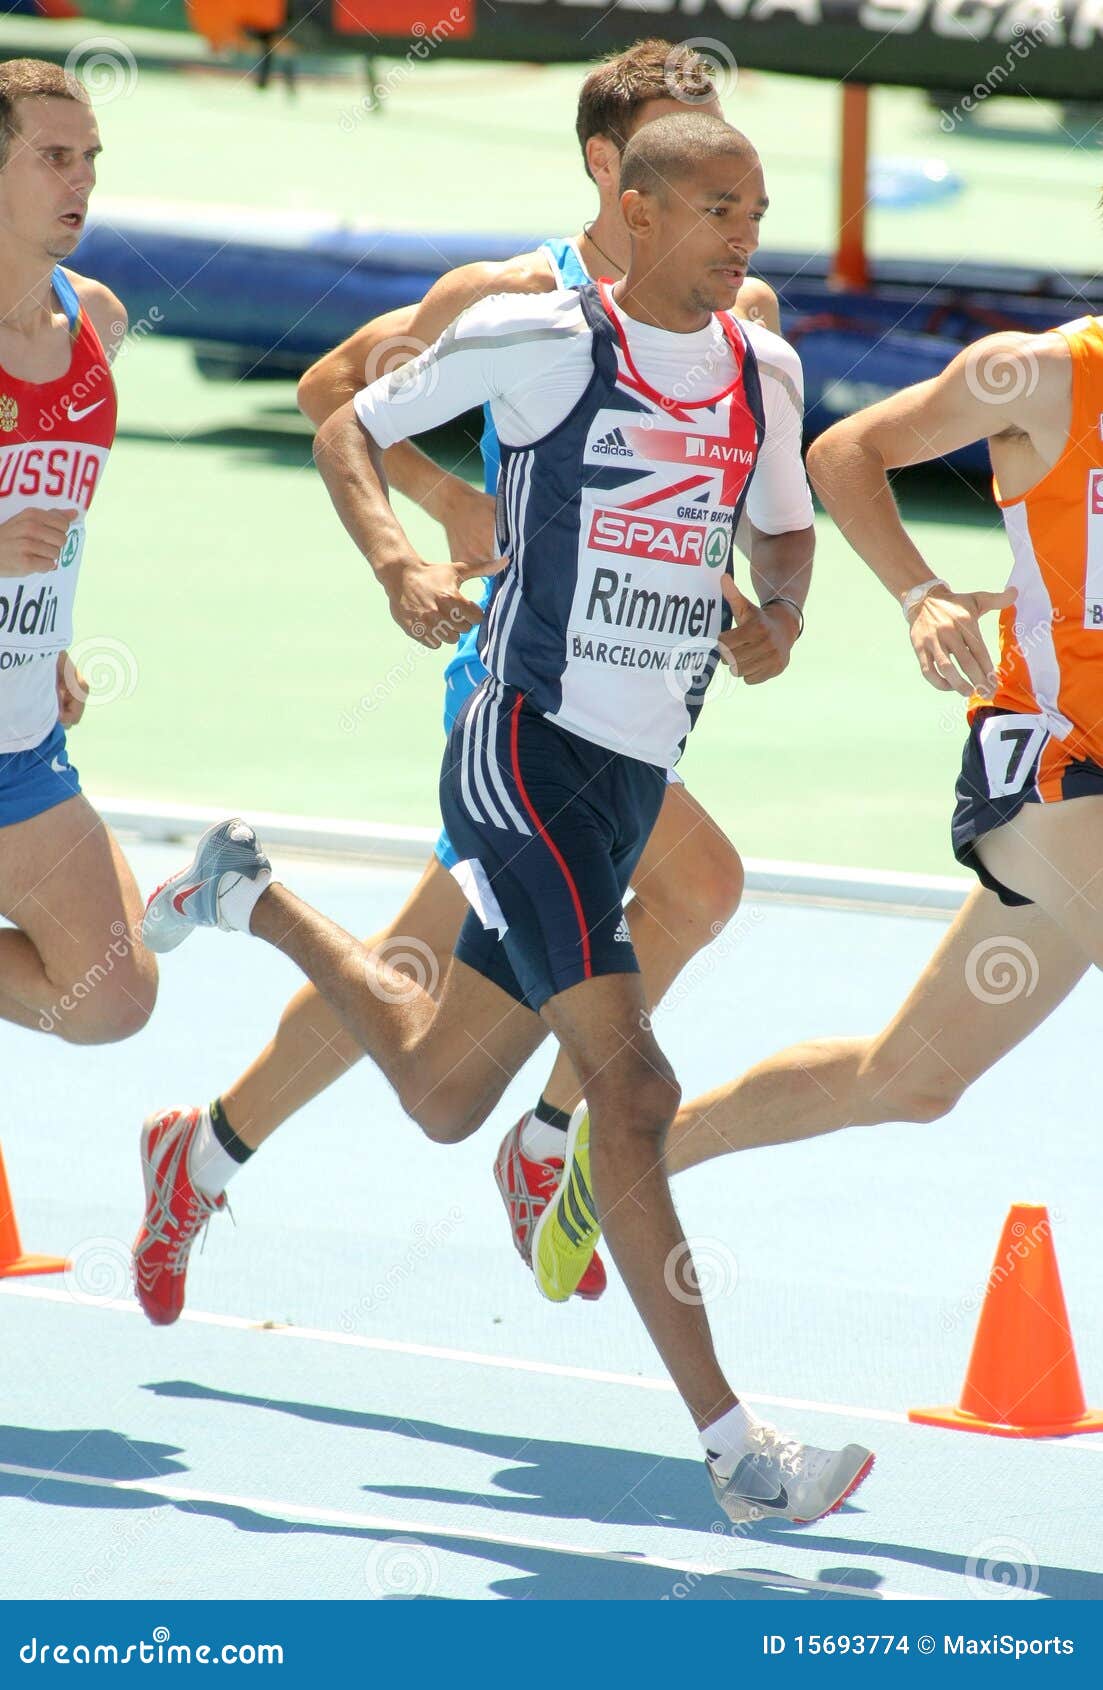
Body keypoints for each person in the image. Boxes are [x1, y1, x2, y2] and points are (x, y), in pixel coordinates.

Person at [138, 112, 874, 1526]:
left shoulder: (761, 364)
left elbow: (779, 520)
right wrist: (406, 557)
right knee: (635, 1086)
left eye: (755, 208)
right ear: (628, 193)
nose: (746, 236)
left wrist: (777, 607)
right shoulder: (532, 326)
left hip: (633, 771)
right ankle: (737, 1454)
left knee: (435, 1089)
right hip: (520, 746)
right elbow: (344, 411)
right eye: (720, 207)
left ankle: (249, 901)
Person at [541, 276, 1103, 1287]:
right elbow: (844, 451)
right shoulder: (1043, 373)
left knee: (908, 1079)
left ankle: (626, 1152)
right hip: (1057, 762)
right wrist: (920, 592)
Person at [0, 59, 156, 1048]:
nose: (81, 181)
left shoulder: (95, 319)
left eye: (90, 158)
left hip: (18, 731)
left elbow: (56, 517)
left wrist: (45, 635)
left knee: (110, 999)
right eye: (53, 157)